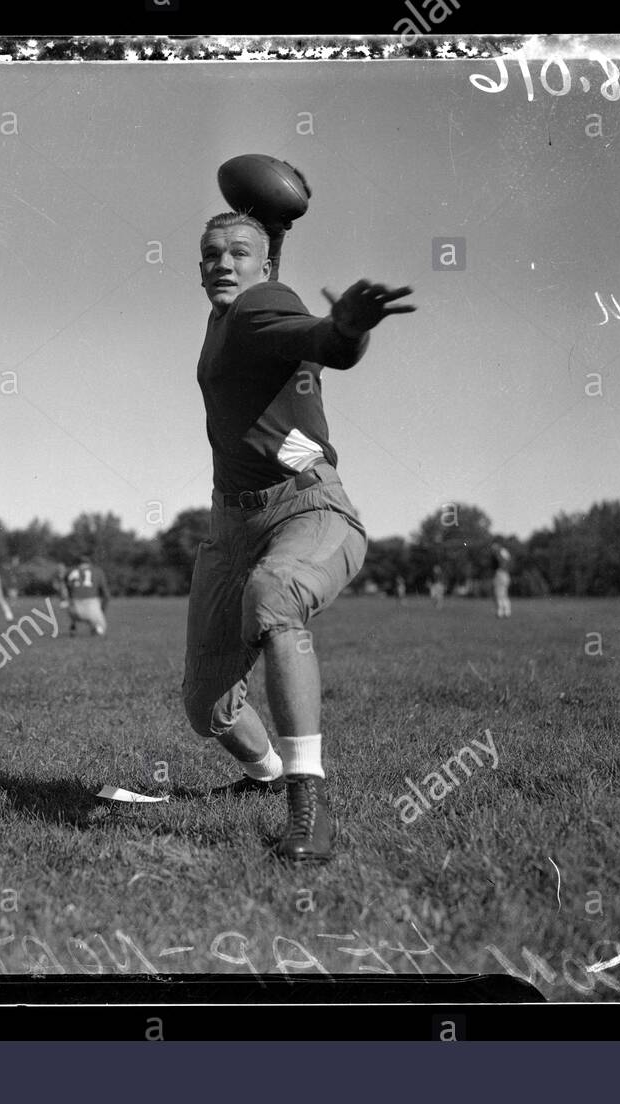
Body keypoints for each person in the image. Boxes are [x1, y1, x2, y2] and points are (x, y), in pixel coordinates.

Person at [182, 206, 415, 863]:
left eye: (238, 253)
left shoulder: (262, 304)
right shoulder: (220, 319)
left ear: (266, 266)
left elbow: (325, 342)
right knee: (207, 708)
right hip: (230, 524)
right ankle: (262, 775)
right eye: (210, 254)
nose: (222, 264)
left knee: (278, 595)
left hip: (307, 509)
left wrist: (347, 328)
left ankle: (306, 803)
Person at [63, 554, 111, 636]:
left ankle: (74, 625)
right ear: (89, 563)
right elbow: (106, 595)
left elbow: (64, 589)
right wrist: (102, 611)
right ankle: (97, 628)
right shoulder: (97, 571)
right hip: (91, 606)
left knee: (72, 603)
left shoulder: (69, 571)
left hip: (73, 608)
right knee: (101, 627)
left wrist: (65, 601)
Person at [492, 544, 513, 619]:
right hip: (506, 575)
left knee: (499, 594)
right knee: (504, 594)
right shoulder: (505, 553)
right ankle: (507, 612)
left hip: (500, 574)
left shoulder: (499, 553)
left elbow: (500, 562)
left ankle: (500, 612)